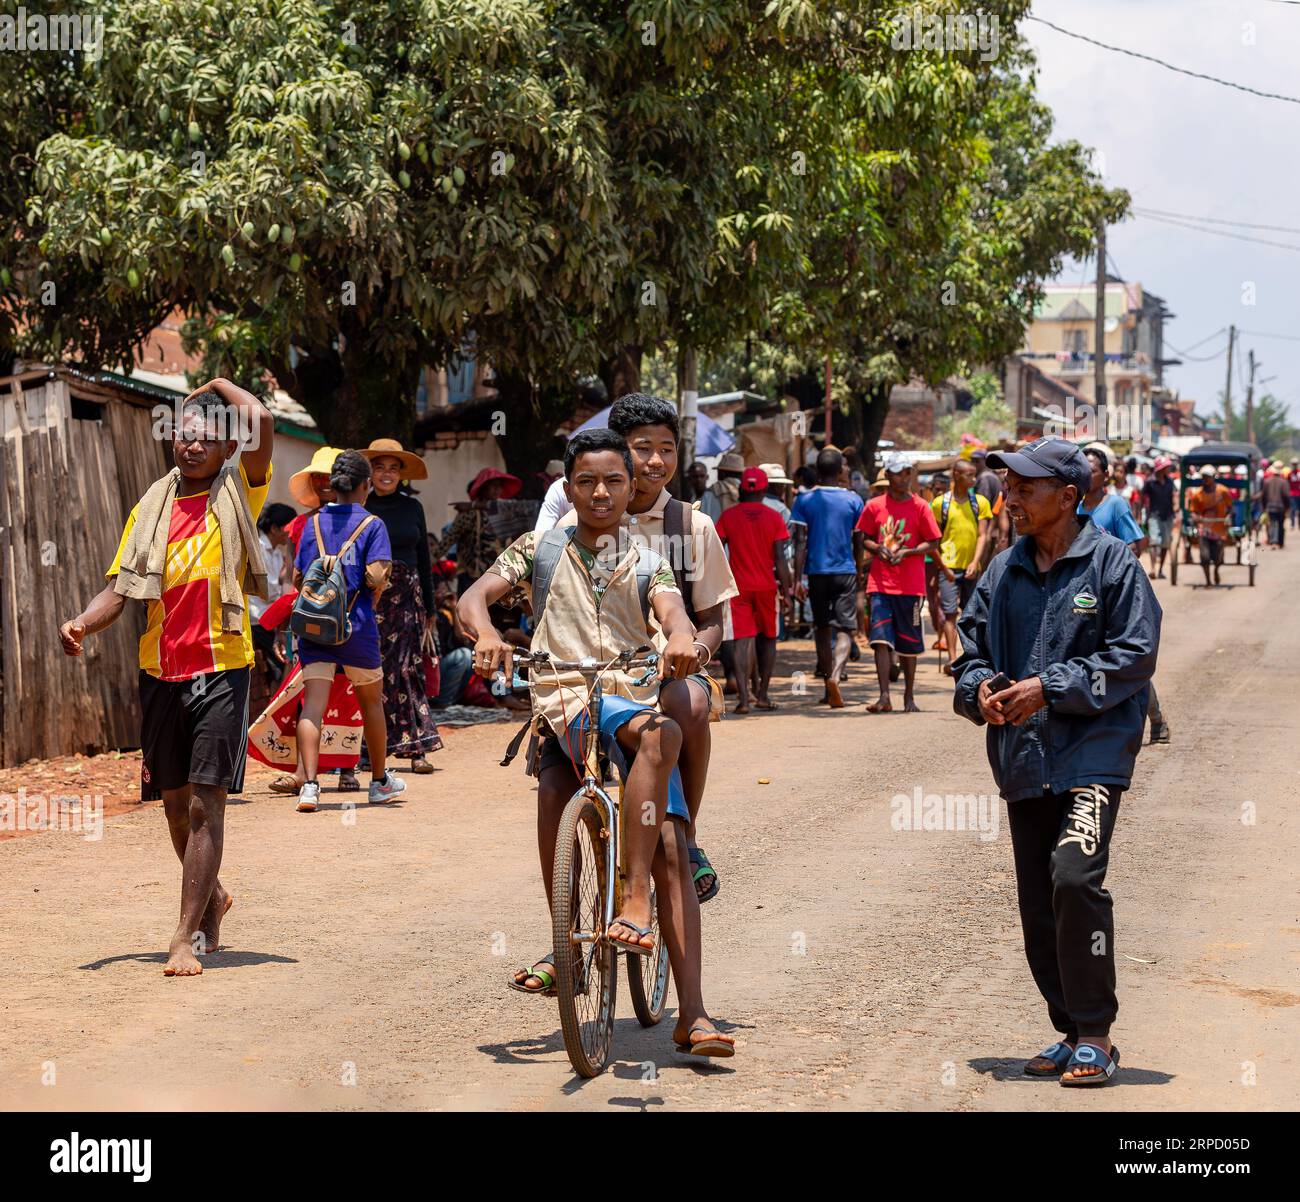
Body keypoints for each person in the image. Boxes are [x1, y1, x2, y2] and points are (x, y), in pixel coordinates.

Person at [459, 428, 736, 1057]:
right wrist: (483, 633)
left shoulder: (648, 557)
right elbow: (475, 598)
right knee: (554, 794)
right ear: (569, 487)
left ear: (629, 484)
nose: (602, 492)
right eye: (587, 481)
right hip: (560, 700)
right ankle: (567, 942)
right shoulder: (536, 549)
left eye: (614, 480)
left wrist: (683, 638)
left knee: (668, 833)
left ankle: (687, 1004)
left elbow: (673, 611)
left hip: (626, 695)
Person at [953, 436, 1161, 1087]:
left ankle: (1096, 1031)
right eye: (1008, 485)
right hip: (1024, 754)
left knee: (1074, 877)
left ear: (1068, 496)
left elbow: (1136, 653)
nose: (1009, 496)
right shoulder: (1004, 570)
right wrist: (980, 691)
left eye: (1025, 486)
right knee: (1039, 899)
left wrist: (1051, 686)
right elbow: (969, 652)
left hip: (1094, 755)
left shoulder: (1112, 566)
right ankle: (1070, 1030)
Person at [59, 378, 274, 977]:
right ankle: (214, 898)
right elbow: (119, 589)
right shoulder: (149, 506)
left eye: (206, 436)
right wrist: (82, 622)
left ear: (227, 448)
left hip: (221, 665)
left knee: (207, 805)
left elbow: (258, 418)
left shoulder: (240, 490)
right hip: (161, 670)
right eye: (185, 433)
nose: (192, 444)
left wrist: (214, 386)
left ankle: (184, 935)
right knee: (175, 809)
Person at [554, 394, 736, 903]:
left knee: (686, 700)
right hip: (592, 670)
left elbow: (713, 619)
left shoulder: (690, 525)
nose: (656, 461)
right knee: (553, 781)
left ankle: (689, 834)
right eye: (642, 449)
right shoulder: (579, 522)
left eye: (667, 449)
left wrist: (692, 653)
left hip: (667, 669)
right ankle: (565, 934)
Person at [292, 450, 405, 813]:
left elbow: (298, 578)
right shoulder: (373, 525)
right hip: (357, 626)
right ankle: (378, 782)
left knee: (312, 707)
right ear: (365, 486)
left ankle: (309, 786)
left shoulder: (310, 524)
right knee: (371, 703)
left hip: (314, 627)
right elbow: (374, 575)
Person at [359, 438, 443, 774]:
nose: (386, 474)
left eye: (393, 469)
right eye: (380, 467)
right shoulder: (362, 506)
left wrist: (432, 611)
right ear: (370, 472)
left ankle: (416, 747)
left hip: (409, 599)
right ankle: (367, 751)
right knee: (371, 672)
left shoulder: (413, 508)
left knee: (408, 669)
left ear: (401, 475)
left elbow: (425, 559)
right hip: (371, 597)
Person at [855, 452, 941, 713]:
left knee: (909, 644)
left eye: (906, 473)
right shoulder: (874, 505)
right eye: (897, 473)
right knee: (880, 640)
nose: (903, 478)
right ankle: (884, 696)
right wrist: (876, 548)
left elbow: (934, 542)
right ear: (888, 475)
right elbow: (863, 536)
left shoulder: (920, 507)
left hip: (911, 586)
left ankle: (909, 696)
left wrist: (908, 552)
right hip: (880, 583)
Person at [789, 447, 864, 708]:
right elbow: (859, 539)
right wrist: (859, 570)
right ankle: (835, 676)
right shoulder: (854, 500)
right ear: (841, 471)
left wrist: (797, 579)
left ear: (817, 472)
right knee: (845, 628)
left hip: (816, 571)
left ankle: (826, 685)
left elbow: (800, 542)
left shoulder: (805, 500)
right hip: (845, 570)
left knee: (822, 629)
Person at [715, 467, 793, 714]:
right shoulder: (774, 517)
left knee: (742, 642)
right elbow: (780, 559)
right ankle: (764, 695)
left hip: (738, 587)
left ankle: (744, 700)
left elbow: (715, 550)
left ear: (741, 489)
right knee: (768, 639)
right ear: (763, 489)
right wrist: (788, 591)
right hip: (767, 587)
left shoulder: (728, 516)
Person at [930, 460, 992, 676]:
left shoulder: (980, 502)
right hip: (948, 566)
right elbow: (933, 540)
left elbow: (983, 534)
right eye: (969, 475)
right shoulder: (940, 504)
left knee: (971, 613)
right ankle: (952, 658)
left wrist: (976, 561)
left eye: (974, 475)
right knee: (949, 614)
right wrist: (940, 567)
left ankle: (971, 656)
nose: (973, 480)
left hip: (971, 567)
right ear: (956, 475)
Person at [433, 467, 523, 592]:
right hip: (471, 576)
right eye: (493, 486)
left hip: (500, 575)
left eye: (499, 486)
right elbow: (450, 538)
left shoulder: (504, 512)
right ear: (483, 488)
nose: (497, 489)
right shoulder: (469, 513)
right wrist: (431, 560)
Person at [250, 502, 295, 704]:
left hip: (273, 616)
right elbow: (266, 590)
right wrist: (288, 590)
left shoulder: (277, 552)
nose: (292, 532)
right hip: (259, 619)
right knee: (280, 664)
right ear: (275, 528)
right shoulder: (258, 549)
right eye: (289, 526)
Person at [1187, 465, 1233, 587]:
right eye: (1204, 477)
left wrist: (1228, 517)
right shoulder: (1197, 494)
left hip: (1219, 529)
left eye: (1208, 477)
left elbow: (1230, 508)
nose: (1206, 480)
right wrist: (1195, 517)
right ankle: (1208, 580)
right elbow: (1193, 511)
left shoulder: (1223, 491)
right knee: (1204, 557)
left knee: (1218, 558)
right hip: (1204, 529)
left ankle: (1216, 570)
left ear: (1213, 477)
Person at [1141, 457, 1176, 579]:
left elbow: (1174, 497)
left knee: (1165, 544)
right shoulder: (1150, 482)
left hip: (1168, 515)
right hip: (1154, 515)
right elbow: (1142, 498)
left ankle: (1161, 569)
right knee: (1154, 542)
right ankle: (1153, 568)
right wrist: (1142, 515)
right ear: (1161, 469)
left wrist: (1176, 509)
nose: (1168, 469)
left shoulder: (1170, 482)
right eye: (1166, 467)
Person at [699, 451, 744, 522]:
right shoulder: (748, 493)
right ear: (741, 474)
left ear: (721, 473)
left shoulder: (710, 493)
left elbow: (700, 521)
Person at [1261, 461, 1289, 550]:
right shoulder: (1284, 482)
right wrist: (1287, 507)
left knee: (1273, 523)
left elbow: (1263, 495)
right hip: (1281, 507)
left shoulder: (1267, 481)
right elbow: (1286, 496)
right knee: (1280, 524)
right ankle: (1278, 542)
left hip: (1270, 506)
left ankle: (1273, 541)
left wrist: (1264, 506)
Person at [1288, 457, 1300, 529]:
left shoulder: (1299, 472)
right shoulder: (1290, 474)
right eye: (1293, 464)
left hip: (1299, 494)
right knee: (1292, 510)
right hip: (1292, 494)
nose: (1294, 465)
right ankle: (1292, 524)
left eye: (1295, 464)